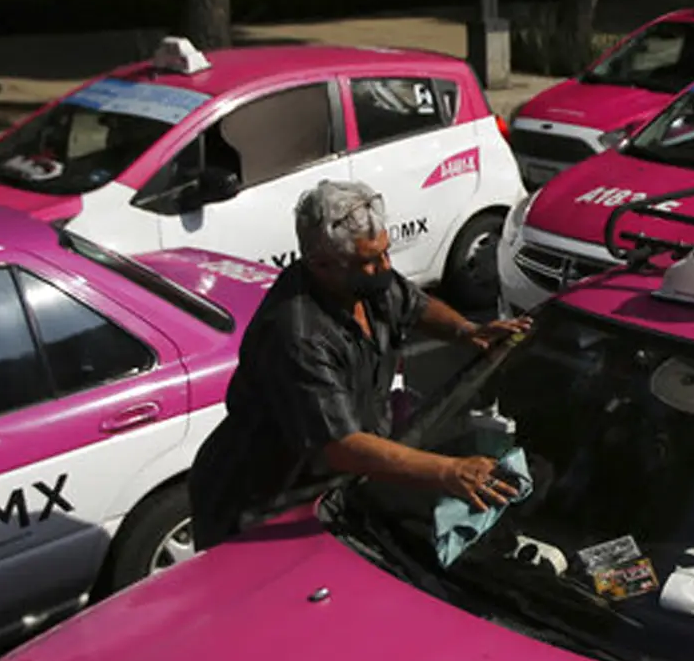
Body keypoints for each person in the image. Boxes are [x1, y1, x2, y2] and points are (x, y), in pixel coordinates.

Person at [188, 180, 531, 551]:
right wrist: (449, 471)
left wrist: (468, 331)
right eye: (369, 261)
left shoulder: (367, 281)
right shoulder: (298, 334)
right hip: (262, 508)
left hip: (332, 488)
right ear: (320, 264)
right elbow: (342, 446)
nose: (384, 266)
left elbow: (413, 304)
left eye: (385, 252)